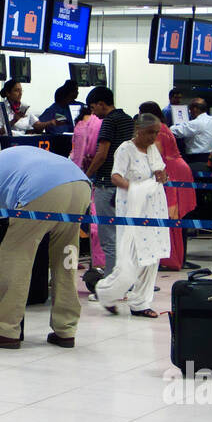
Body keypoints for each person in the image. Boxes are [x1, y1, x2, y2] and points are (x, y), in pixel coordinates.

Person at [0, 146, 92, 349]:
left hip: (42, 190)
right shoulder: (14, 157)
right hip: (81, 185)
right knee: (66, 257)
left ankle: (6, 330)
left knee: (15, 253)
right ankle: (66, 330)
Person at [95, 115, 170, 318]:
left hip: (154, 209)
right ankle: (106, 294)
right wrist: (136, 189)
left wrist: (163, 176)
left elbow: (160, 171)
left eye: (156, 132)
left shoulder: (153, 150)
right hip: (133, 210)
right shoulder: (125, 149)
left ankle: (140, 303)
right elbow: (115, 176)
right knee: (133, 259)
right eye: (150, 132)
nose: (153, 137)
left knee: (151, 257)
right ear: (139, 130)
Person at [83, 87, 133, 281]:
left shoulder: (109, 122)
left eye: (94, 107)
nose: (93, 112)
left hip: (107, 183)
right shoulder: (128, 120)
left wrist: (87, 176)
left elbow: (102, 154)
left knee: (109, 237)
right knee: (123, 236)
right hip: (124, 185)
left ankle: (112, 282)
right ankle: (126, 280)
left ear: (102, 104)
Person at [139, 101, 195, 271]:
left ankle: (171, 260)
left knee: (169, 215)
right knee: (177, 219)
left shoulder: (156, 129)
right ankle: (179, 257)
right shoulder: (164, 126)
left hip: (171, 172)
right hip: (180, 169)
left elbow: (155, 153)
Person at [171, 97, 212, 228]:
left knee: (192, 193)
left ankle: (193, 222)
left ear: (196, 109)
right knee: (207, 193)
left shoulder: (198, 122)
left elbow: (178, 131)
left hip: (196, 161)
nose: (190, 112)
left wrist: (165, 127)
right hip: (210, 160)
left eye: (191, 109)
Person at [71, 99, 105, 272]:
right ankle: (100, 262)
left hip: (80, 177)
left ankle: (71, 259)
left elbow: (76, 155)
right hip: (98, 177)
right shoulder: (100, 124)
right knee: (98, 224)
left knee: (72, 223)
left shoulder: (80, 126)